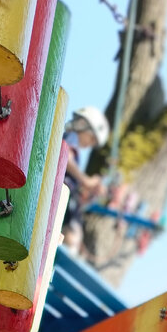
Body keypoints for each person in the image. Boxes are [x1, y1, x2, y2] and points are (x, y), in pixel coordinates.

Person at [62, 106, 110, 253]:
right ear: (84, 126)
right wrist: (86, 181)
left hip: (64, 196)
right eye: (92, 138)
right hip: (61, 195)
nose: (90, 144)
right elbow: (66, 158)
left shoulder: (72, 141)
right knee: (72, 234)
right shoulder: (72, 137)